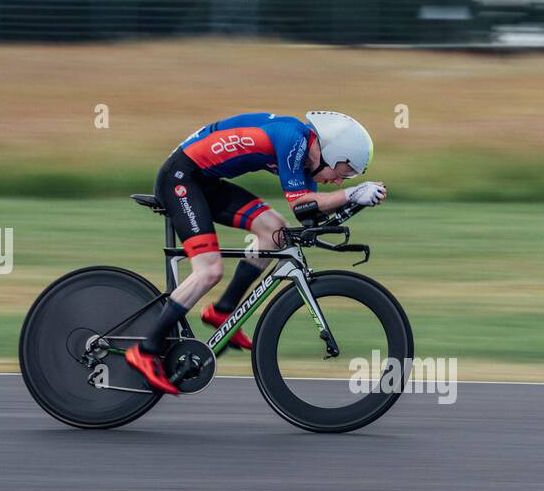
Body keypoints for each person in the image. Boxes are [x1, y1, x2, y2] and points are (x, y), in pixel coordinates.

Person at [125, 111, 387, 393]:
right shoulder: (294, 140)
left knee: (275, 231)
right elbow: (302, 204)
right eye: (344, 173)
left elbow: (309, 215)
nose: (338, 182)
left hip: (204, 183)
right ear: (332, 153)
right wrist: (352, 194)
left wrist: (357, 202)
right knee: (209, 271)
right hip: (180, 180)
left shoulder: (305, 154)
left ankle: (221, 311)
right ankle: (146, 349)